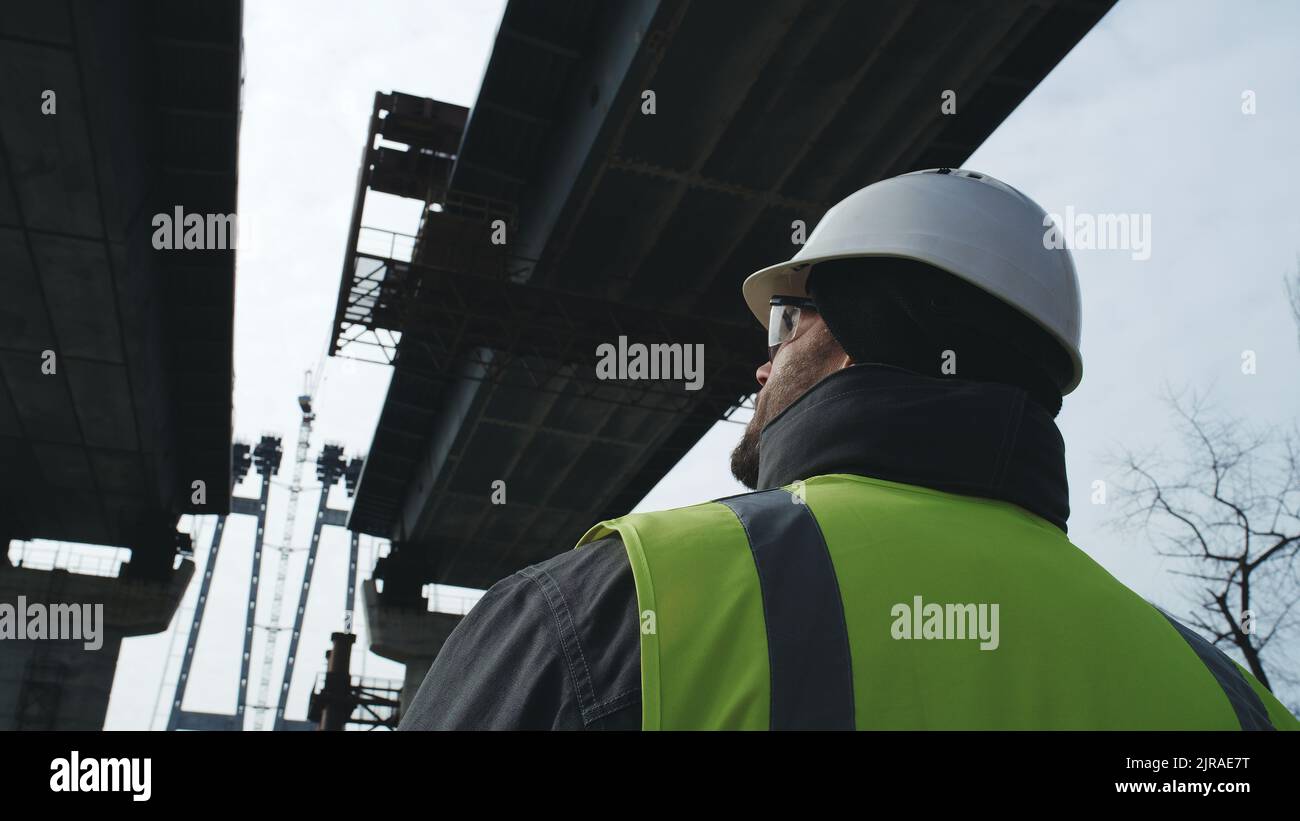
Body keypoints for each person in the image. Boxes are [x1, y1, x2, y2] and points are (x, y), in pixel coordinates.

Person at [399, 169, 1298, 730]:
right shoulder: (1235, 700)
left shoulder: (613, 608)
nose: (759, 367)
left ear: (859, 325)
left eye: (785, 319)